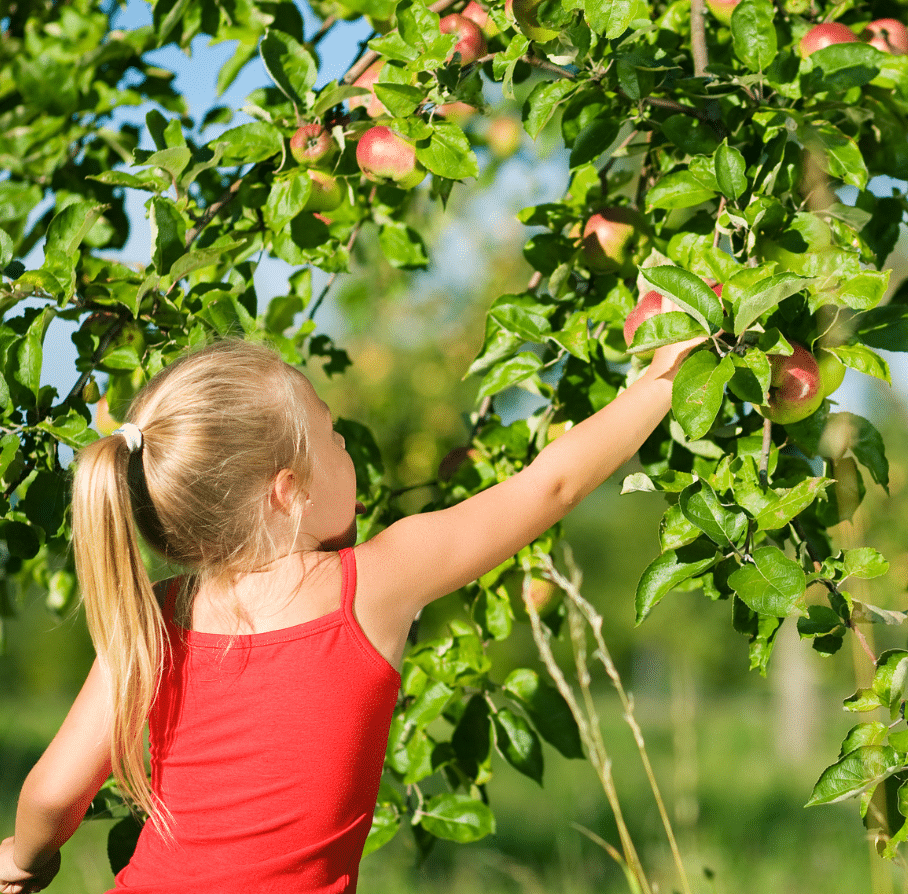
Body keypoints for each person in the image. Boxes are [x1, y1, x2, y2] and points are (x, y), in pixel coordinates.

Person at [0, 332, 701, 893]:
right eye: (331, 436)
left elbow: (52, 794)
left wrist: (26, 860)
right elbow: (551, 485)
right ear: (287, 491)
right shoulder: (373, 584)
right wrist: (664, 379)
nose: (345, 448)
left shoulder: (155, 618)